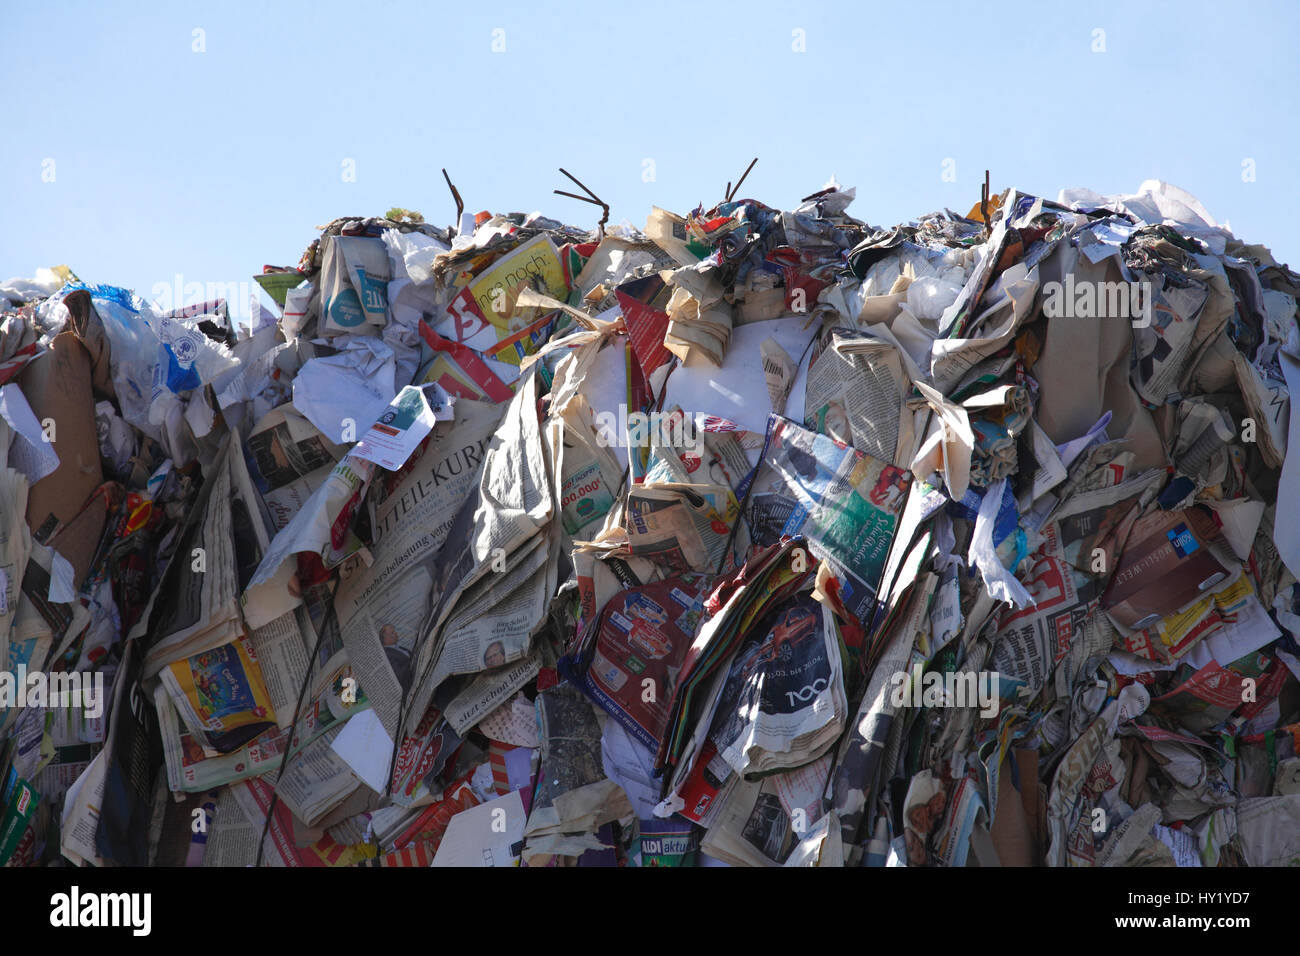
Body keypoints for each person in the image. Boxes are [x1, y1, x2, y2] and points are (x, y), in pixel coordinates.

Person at [380, 624, 413, 693]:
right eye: (392, 632)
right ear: (385, 637)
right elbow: (398, 675)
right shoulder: (387, 654)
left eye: (394, 631)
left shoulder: (399, 648)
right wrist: (411, 663)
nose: (396, 634)